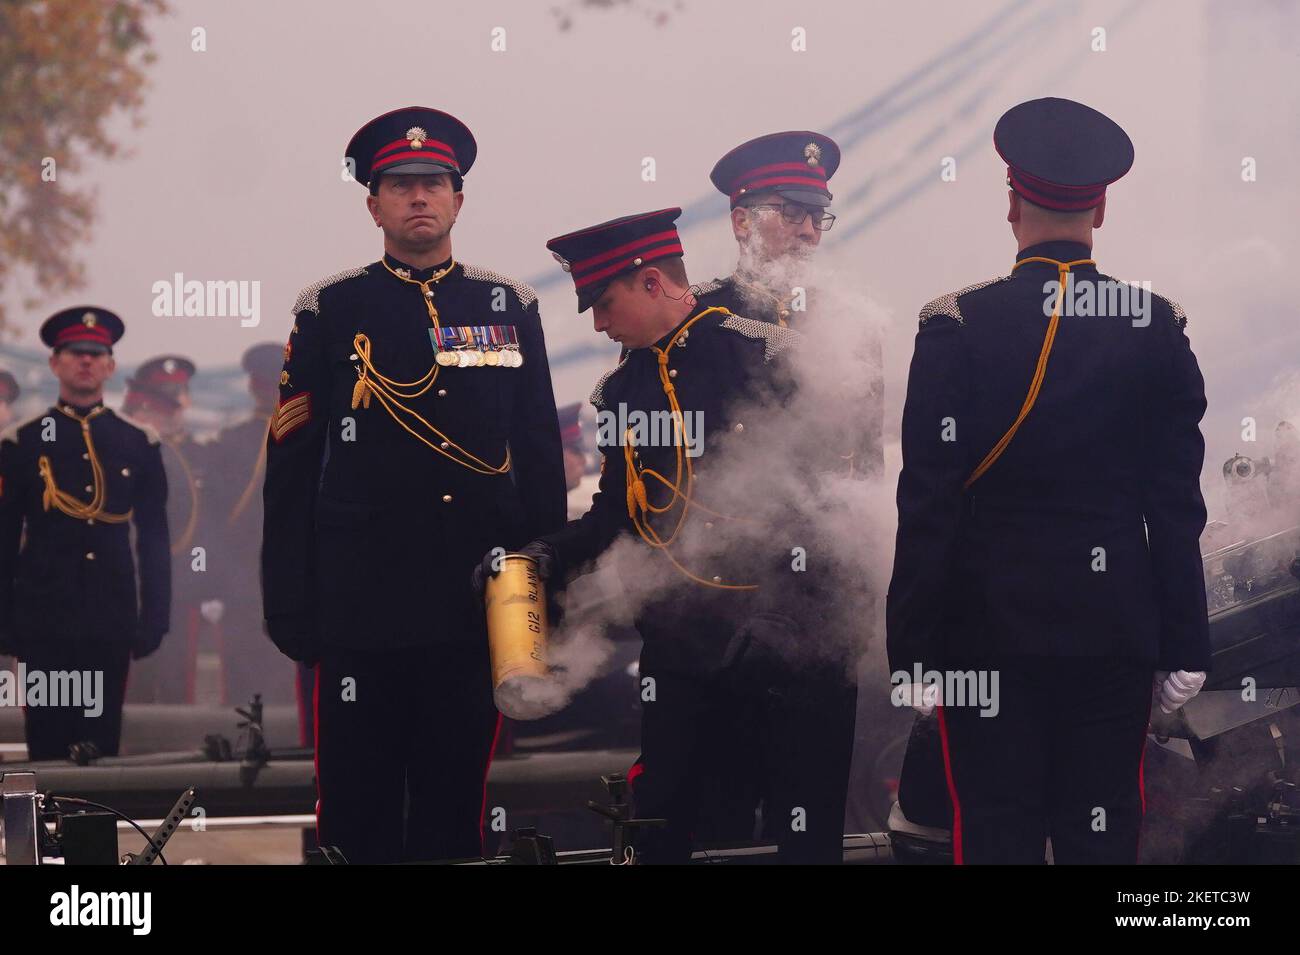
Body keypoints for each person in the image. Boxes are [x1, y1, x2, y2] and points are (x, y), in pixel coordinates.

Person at [475, 208, 858, 864]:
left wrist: (784, 612)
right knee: (667, 832)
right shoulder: (622, 390)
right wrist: (544, 555)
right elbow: (616, 518)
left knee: (805, 840)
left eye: (603, 302)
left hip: (794, 651)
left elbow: (832, 502)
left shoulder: (769, 353)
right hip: (685, 659)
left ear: (652, 282)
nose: (597, 322)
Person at [886, 97, 1211, 864]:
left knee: (995, 835)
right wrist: (1184, 642)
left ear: (1010, 203)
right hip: (1114, 634)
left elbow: (926, 504)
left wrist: (912, 654)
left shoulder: (955, 326)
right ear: (1100, 205)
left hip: (984, 638)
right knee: (1102, 836)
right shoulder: (1156, 325)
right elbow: (1174, 504)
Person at [261, 106, 567, 863]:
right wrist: (291, 602)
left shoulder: (509, 305)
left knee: (455, 806)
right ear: (373, 206)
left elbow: (538, 460)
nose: (419, 198)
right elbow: (293, 472)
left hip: (474, 605)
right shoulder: (331, 308)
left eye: (434, 183)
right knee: (355, 812)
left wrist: (544, 591)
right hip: (361, 607)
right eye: (400, 186)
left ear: (459, 200)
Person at [0, 307, 170, 760]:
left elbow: (154, 538)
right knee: (48, 749)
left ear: (111, 367)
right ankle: (44, 833)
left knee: (100, 748)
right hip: (43, 621)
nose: (87, 362)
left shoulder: (138, 442)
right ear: (55, 363)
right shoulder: (22, 442)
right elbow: (3, 542)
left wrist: (155, 616)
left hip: (109, 619)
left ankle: (95, 832)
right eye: (76, 353)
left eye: (97, 354)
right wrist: (4, 621)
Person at [203, 343, 298, 712]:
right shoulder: (228, 444)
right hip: (242, 582)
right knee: (244, 685)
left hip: (287, 580)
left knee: (287, 683)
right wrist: (221, 580)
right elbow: (214, 520)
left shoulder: (305, 434)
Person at [121, 355, 206, 704]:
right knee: (131, 683)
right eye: (164, 401)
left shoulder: (193, 453)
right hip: (127, 578)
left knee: (176, 680)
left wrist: (205, 575)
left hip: (179, 582)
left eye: (178, 396)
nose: (176, 408)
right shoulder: (124, 447)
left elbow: (204, 523)